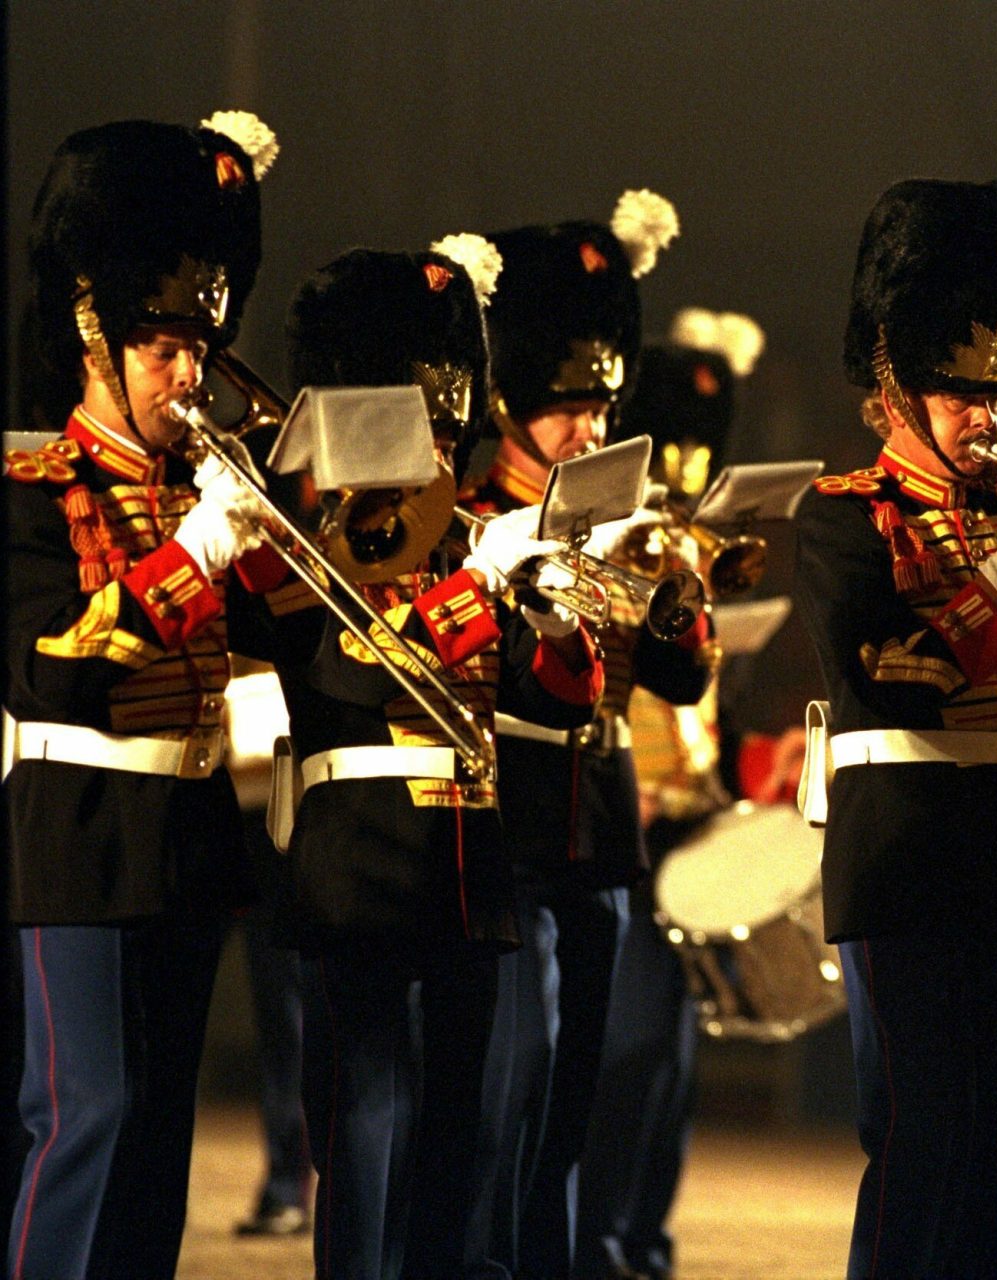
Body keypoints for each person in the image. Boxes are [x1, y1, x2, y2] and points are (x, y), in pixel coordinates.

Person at [233, 236, 606, 1279]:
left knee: (462, 1132)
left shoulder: (461, 529)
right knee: (369, 1127)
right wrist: (478, 596)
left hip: (463, 853)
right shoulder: (306, 530)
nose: (438, 430)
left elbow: (553, 699)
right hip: (357, 857)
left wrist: (554, 618)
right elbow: (358, 668)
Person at [794, 139, 997, 1278]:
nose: (989, 413)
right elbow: (894, 671)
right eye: (965, 389)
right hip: (903, 845)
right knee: (921, 1132)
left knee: (991, 1136)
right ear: (897, 380)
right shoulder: (844, 515)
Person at [5, 109, 276, 1279]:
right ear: (92, 330)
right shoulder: (27, 482)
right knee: (87, 1112)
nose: (187, 373)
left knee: (162, 1130)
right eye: (161, 347)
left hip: (192, 833)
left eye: (197, 347)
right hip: (77, 832)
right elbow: (51, 664)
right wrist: (199, 555)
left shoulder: (207, 483)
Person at [463, 194, 713, 1280]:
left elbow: (683, 673)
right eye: (566, 409)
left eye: (600, 405)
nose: (588, 430)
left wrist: (670, 586)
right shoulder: (471, 509)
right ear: (513, 398)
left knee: (579, 1092)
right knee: (511, 1083)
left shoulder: (618, 505)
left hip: (600, 828)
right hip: (508, 818)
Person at [575, 306, 769, 1280]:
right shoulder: (615, 542)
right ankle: (601, 1238)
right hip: (630, 813)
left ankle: (643, 1236)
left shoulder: (685, 546)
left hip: (688, 811)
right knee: (628, 1047)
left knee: (673, 1063)